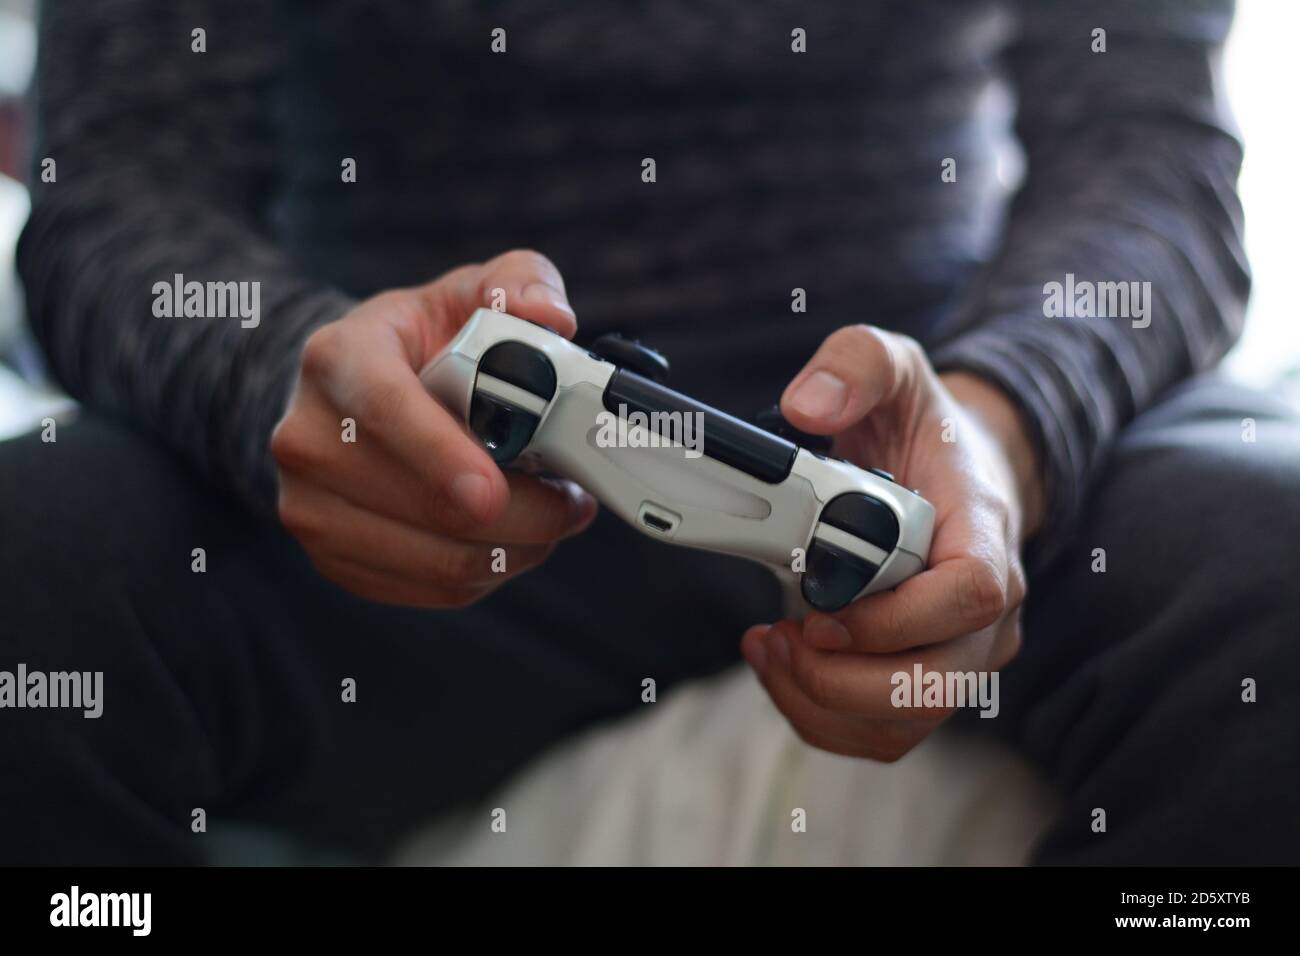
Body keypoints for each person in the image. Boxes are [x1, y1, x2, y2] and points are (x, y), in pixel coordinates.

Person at [2, 0, 1296, 864]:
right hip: (415, 454)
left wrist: (1004, 426)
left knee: (1269, 560)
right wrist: (282, 373)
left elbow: (1152, 164)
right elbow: (113, 191)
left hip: (926, 439)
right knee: (36, 563)